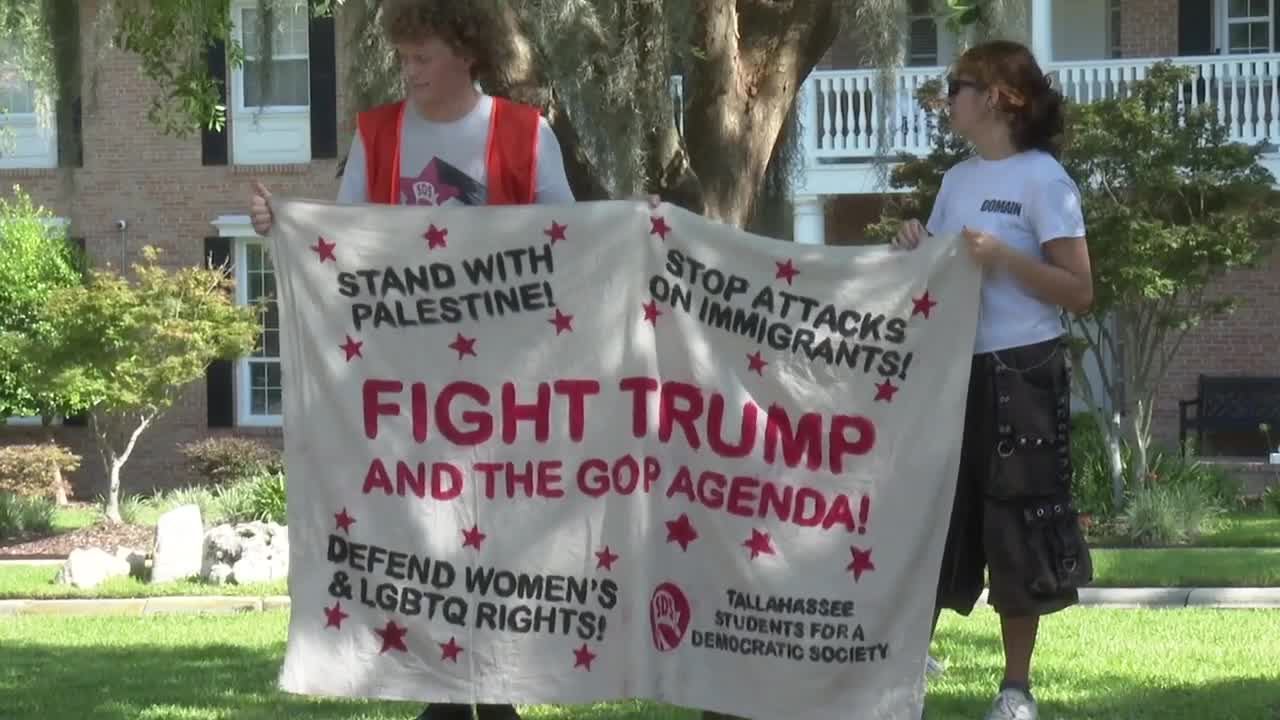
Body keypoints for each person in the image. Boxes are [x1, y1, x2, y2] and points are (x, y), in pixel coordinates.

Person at [250, 2, 574, 719]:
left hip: (502, 391)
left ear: (467, 50)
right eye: (404, 56)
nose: (409, 70)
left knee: (490, 543)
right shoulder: (379, 134)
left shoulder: (526, 134)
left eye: (422, 56)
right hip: (409, 392)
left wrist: (633, 231)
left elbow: (574, 244)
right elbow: (342, 245)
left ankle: (485, 699)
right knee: (425, 538)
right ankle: (451, 697)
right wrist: (287, 227)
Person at [893, 41, 1094, 720]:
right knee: (935, 513)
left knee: (1018, 522)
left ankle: (1015, 689)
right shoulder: (957, 181)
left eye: (960, 85)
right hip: (955, 366)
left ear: (999, 98)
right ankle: (908, 666)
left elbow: (1079, 289)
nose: (948, 97)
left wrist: (1004, 256)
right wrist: (918, 250)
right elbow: (945, 276)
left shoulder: (1045, 181)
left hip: (1024, 368)